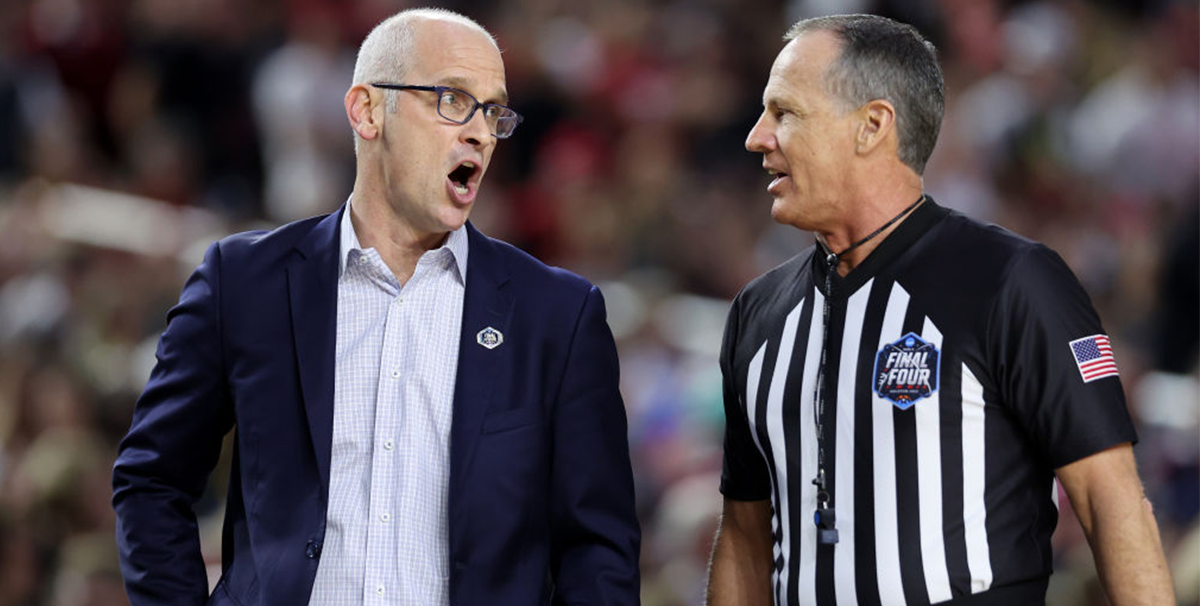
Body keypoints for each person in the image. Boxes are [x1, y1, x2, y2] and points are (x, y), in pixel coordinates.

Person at [112, 8, 641, 605]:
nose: (481, 133)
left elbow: (597, 549)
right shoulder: (243, 283)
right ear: (367, 111)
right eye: (452, 99)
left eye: (493, 112)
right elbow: (152, 480)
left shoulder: (558, 315)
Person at [706, 14, 1174, 606]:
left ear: (872, 125)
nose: (757, 137)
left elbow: (1111, 504)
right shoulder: (758, 313)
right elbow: (746, 538)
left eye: (785, 113)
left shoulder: (1012, 281)